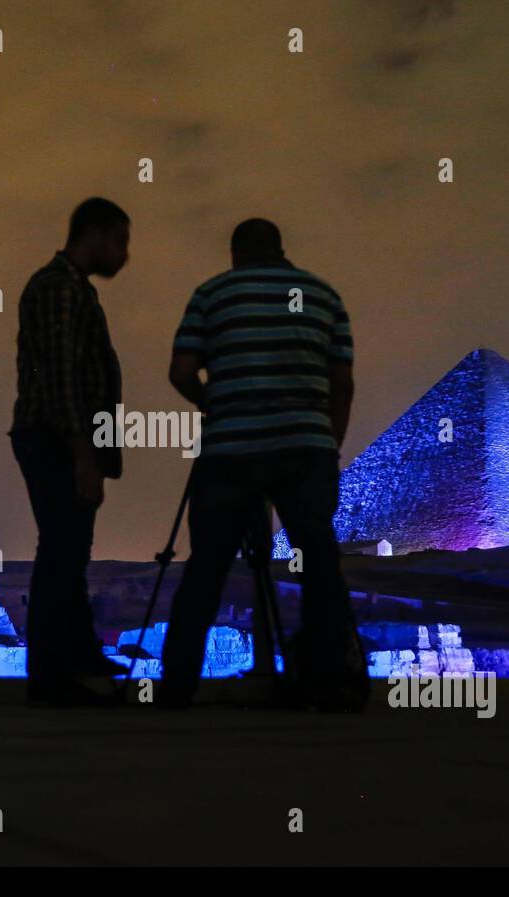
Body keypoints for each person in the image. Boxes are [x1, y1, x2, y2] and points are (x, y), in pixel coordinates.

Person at [160, 218, 364, 710]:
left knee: (208, 564)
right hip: (305, 448)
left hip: (231, 450)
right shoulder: (324, 296)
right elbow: (343, 385)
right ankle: (330, 681)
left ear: (235, 255)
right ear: (281, 250)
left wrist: (217, 401)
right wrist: (328, 445)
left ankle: (177, 684)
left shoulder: (211, 294)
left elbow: (181, 372)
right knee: (318, 563)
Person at [10, 197, 131, 705]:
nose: (125, 255)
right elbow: (62, 380)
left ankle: (74, 659)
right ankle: (52, 674)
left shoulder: (70, 288)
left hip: (64, 438)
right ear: (96, 234)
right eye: (121, 241)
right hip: (58, 439)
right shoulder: (59, 288)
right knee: (61, 551)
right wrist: (85, 453)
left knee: (68, 551)